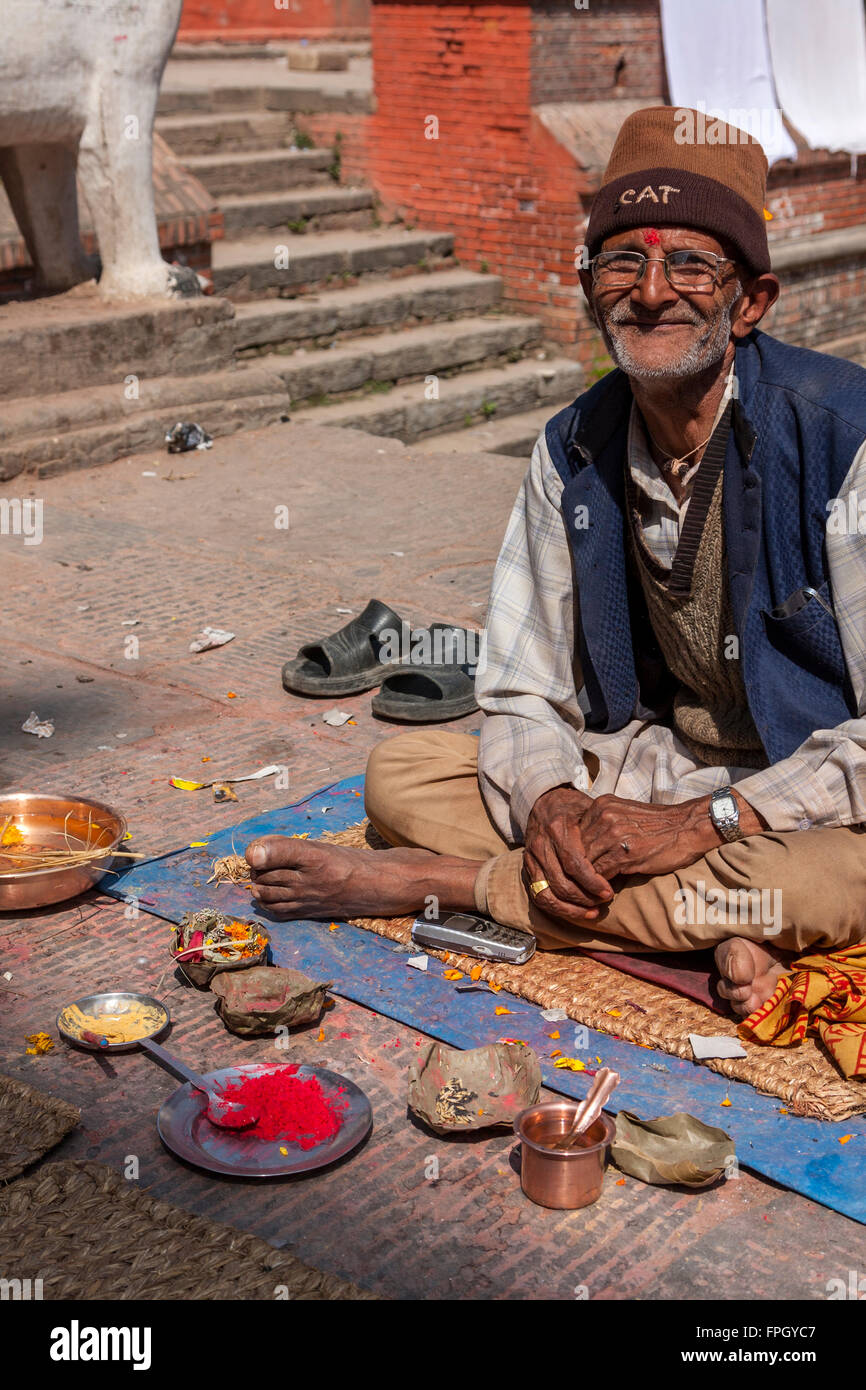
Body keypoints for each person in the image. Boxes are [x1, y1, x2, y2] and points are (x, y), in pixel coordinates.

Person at [246, 107, 866, 1018]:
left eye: (690, 263)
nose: (651, 293)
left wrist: (702, 825)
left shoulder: (843, 438)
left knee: (826, 886)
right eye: (623, 262)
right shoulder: (572, 447)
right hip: (645, 773)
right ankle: (721, 922)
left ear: (752, 303)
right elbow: (518, 686)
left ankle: (453, 886)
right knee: (402, 776)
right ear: (590, 289)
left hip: (800, 801)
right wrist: (551, 808)